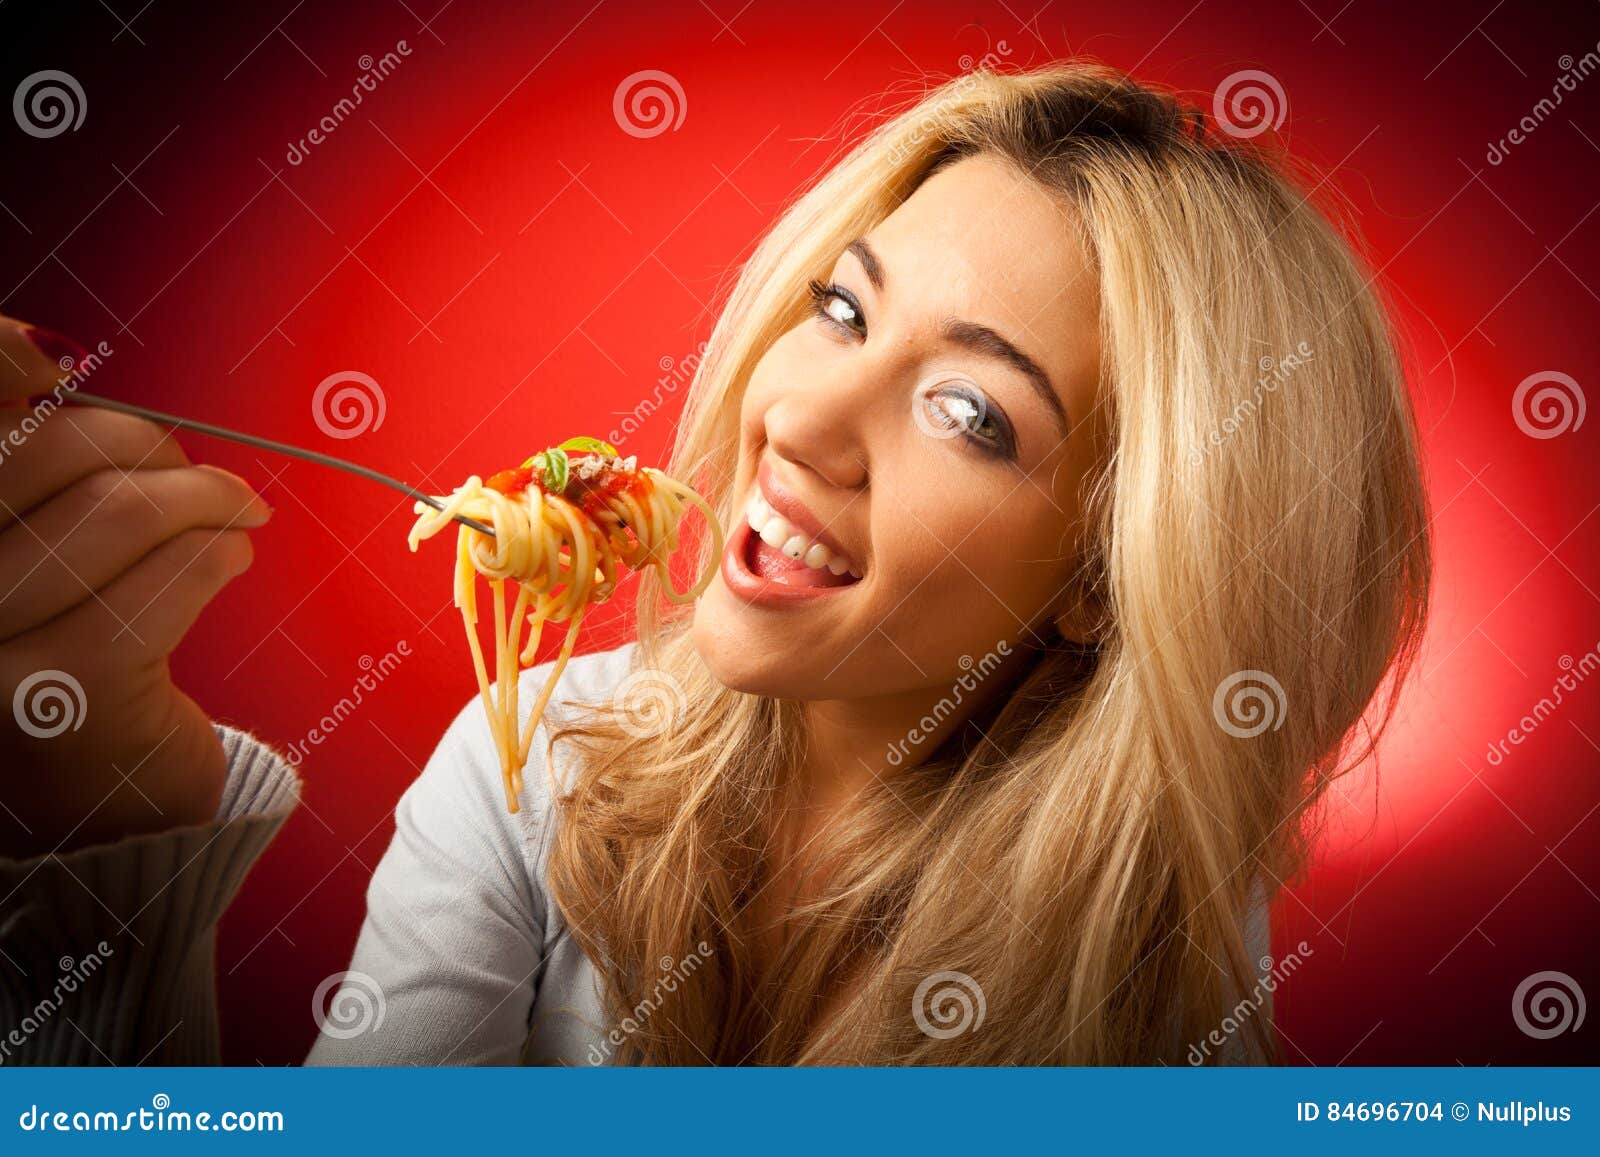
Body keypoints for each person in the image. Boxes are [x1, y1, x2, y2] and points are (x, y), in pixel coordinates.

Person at [0, 60, 1430, 1066]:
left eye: (973, 415)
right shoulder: (531, 763)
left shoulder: (1151, 910)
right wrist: (105, 818)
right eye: (842, 309)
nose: (798, 417)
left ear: (1108, 574)